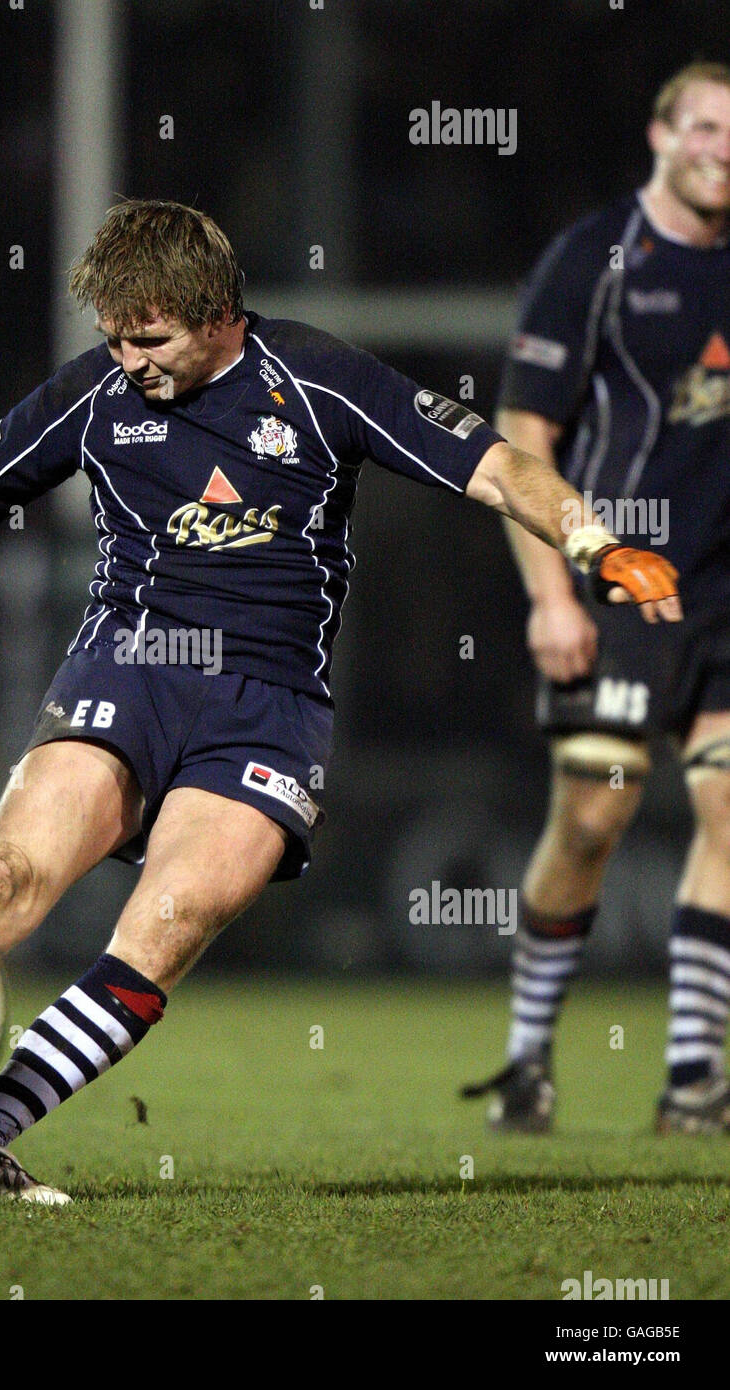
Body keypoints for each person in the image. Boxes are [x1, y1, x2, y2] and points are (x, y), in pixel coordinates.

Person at [0, 200, 679, 1202]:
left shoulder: (317, 379)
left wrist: (593, 542)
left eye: (147, 338)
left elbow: (495, 467)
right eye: (111, 338)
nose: (127, 359)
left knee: (172, 920)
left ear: (218, 312)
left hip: (269, 705)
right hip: (125, 670)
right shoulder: (95, 395)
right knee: (10, 876)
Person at [462, 63, 730, 1135]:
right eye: (703, 124)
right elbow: (521, 437)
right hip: (622, 587)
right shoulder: (593, 259)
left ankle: (691, 1078)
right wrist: (550, 595)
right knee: (588, 819)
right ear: (660, 132)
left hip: (724, 597)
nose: (721, 145)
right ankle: (526, 1058)